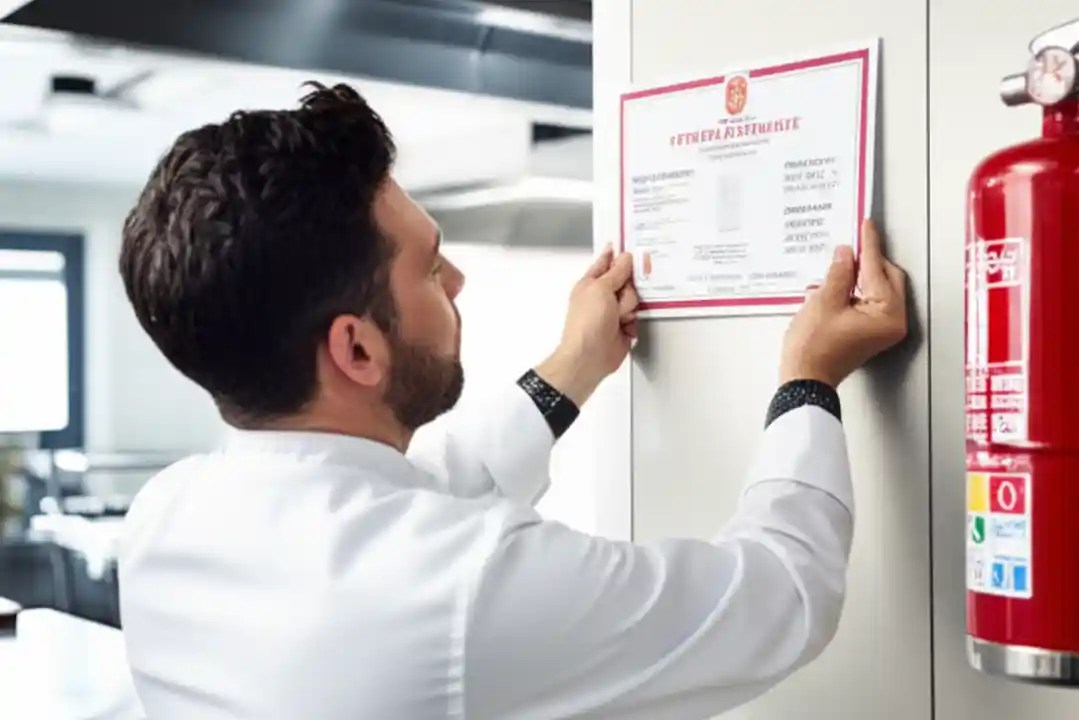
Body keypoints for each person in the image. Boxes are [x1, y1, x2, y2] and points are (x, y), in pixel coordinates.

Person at [115, 83, 908, 720]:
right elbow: (781, 597)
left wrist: (571, 368)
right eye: (429, 268)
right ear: (356, 349)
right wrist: (809, 379)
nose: (455, 281)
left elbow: (425, 492)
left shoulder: (166, 518)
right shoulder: (469, 587)